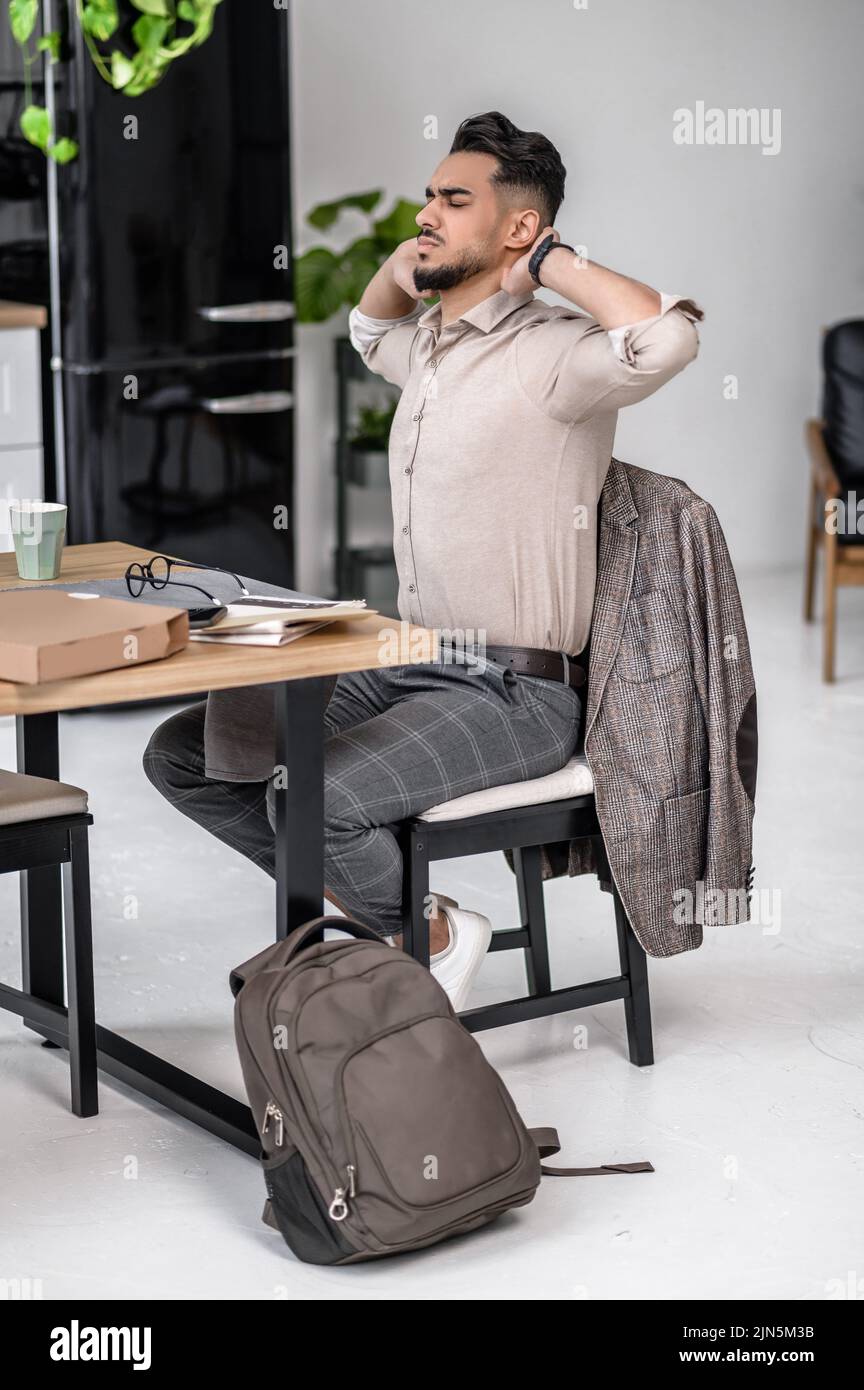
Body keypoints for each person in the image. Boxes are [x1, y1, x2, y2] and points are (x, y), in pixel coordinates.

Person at [143, 109, 702, 1010]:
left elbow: (668, 337)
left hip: (515, 692)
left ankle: (416, 943)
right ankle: (416, 921)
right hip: (408, 662)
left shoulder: (554, 357)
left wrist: (551, 261)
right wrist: (403, 268)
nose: (426, 214)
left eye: (453, 200)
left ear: (518, 226)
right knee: (188, 757)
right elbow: (371, 332)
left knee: (311, 800)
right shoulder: (434, 354)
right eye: (427, 197)